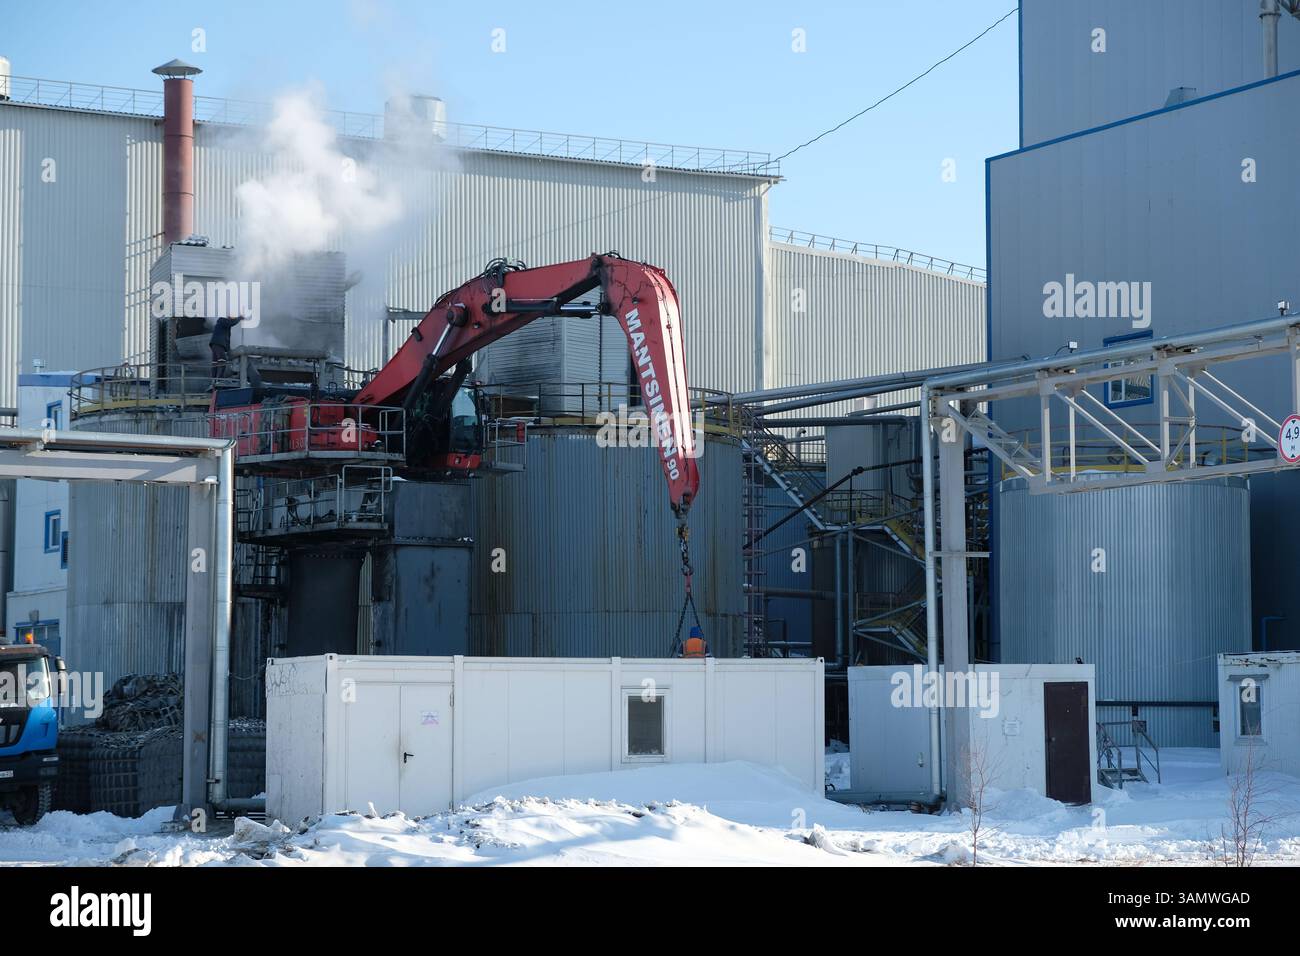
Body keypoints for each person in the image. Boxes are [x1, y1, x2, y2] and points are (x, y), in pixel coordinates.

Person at [209, 315, 244, 380]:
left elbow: (227, 340)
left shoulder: (225, 326)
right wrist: (239, 318)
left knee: (215, 363)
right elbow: (232, 323)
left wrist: (228, 351)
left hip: (216, 345)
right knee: (222, 361)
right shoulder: (223, 320)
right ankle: (219, 380)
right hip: (218, 344)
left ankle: (213, 380)